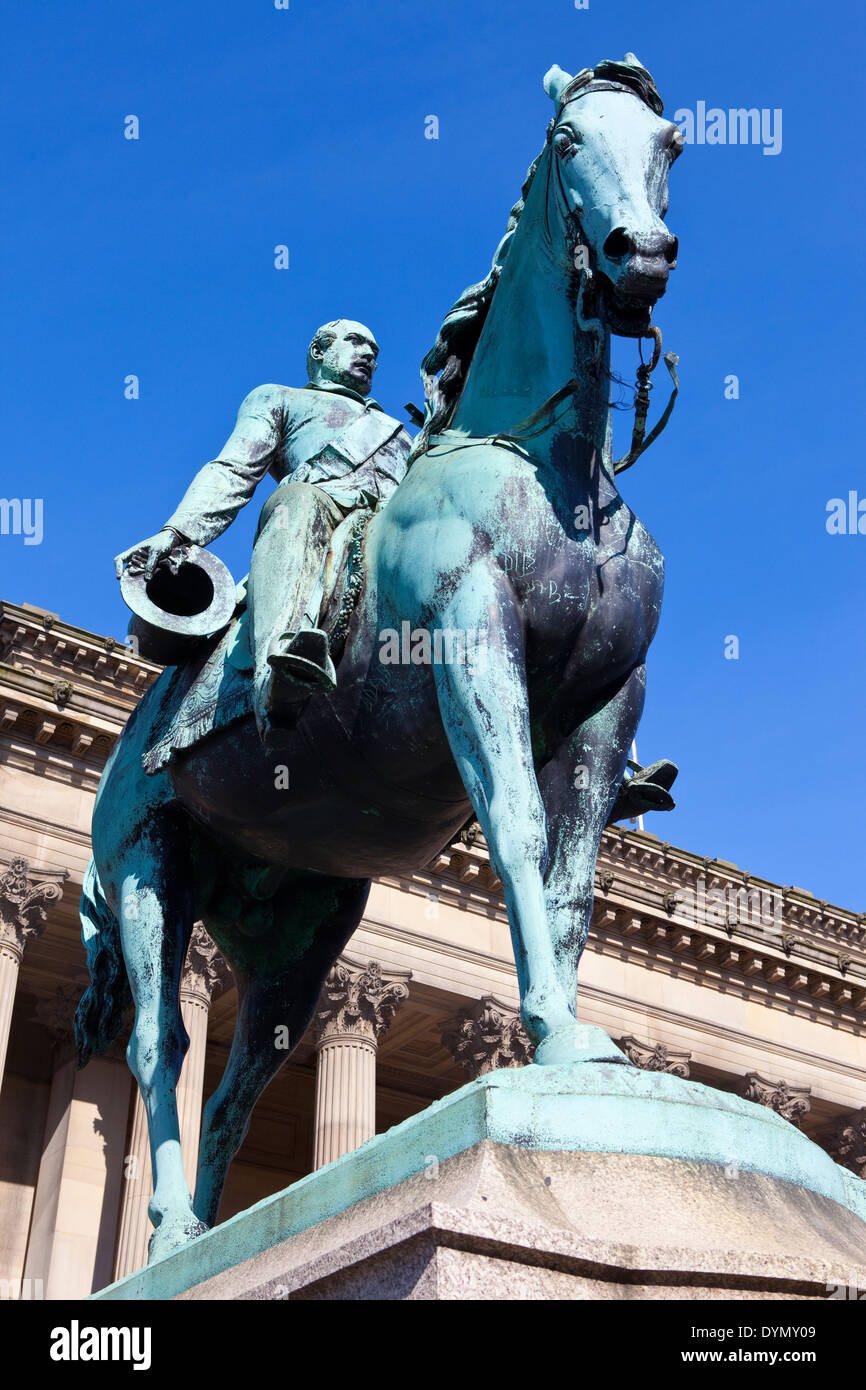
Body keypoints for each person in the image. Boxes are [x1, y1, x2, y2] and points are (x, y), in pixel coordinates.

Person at [115, 320, 413, 746]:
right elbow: (232, 470)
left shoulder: (406, 434)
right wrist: (177, 533)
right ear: (319, 353)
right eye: (355, 342)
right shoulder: (280, 398)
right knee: (297, 501)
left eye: (374, 350)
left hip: (391, 527)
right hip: (319, 516)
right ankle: (280, 666)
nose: (368, 354)